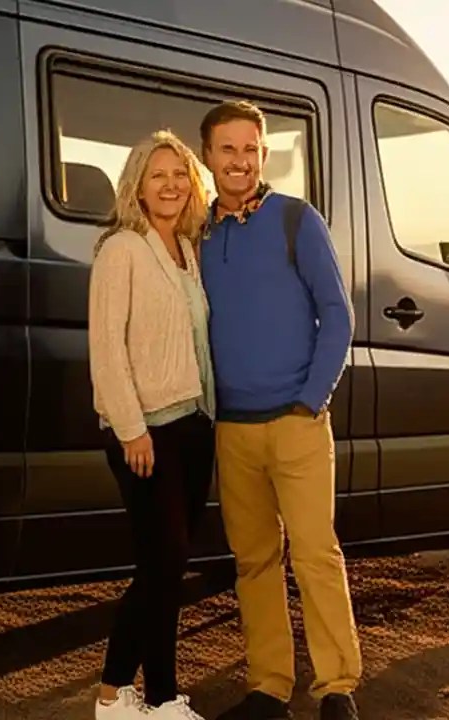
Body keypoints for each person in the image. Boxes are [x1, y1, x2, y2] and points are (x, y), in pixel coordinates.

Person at [198, 100, 362, 720]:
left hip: (297, 421)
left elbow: (337, 315)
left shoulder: (298, 220)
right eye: (227, 150)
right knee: (255, 561)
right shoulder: (201, 233)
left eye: (250, 150)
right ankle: (269, 686)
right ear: (209, 157)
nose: (239, 161)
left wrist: (309, 400)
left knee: (315, 553)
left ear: (264, 156)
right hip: (233, 428)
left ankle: (337, 686)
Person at [87, 129, 217, 720]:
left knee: (169, 567)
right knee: (162, 564)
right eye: (157, 174)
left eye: (179, 174)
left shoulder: (187, 250)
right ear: (136, 186)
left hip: (193, 423)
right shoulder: (122, 249)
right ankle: (120, 694)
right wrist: (130, 429)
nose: (170, 184)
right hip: (146, 432)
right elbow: (107, 349)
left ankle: (156, 698)